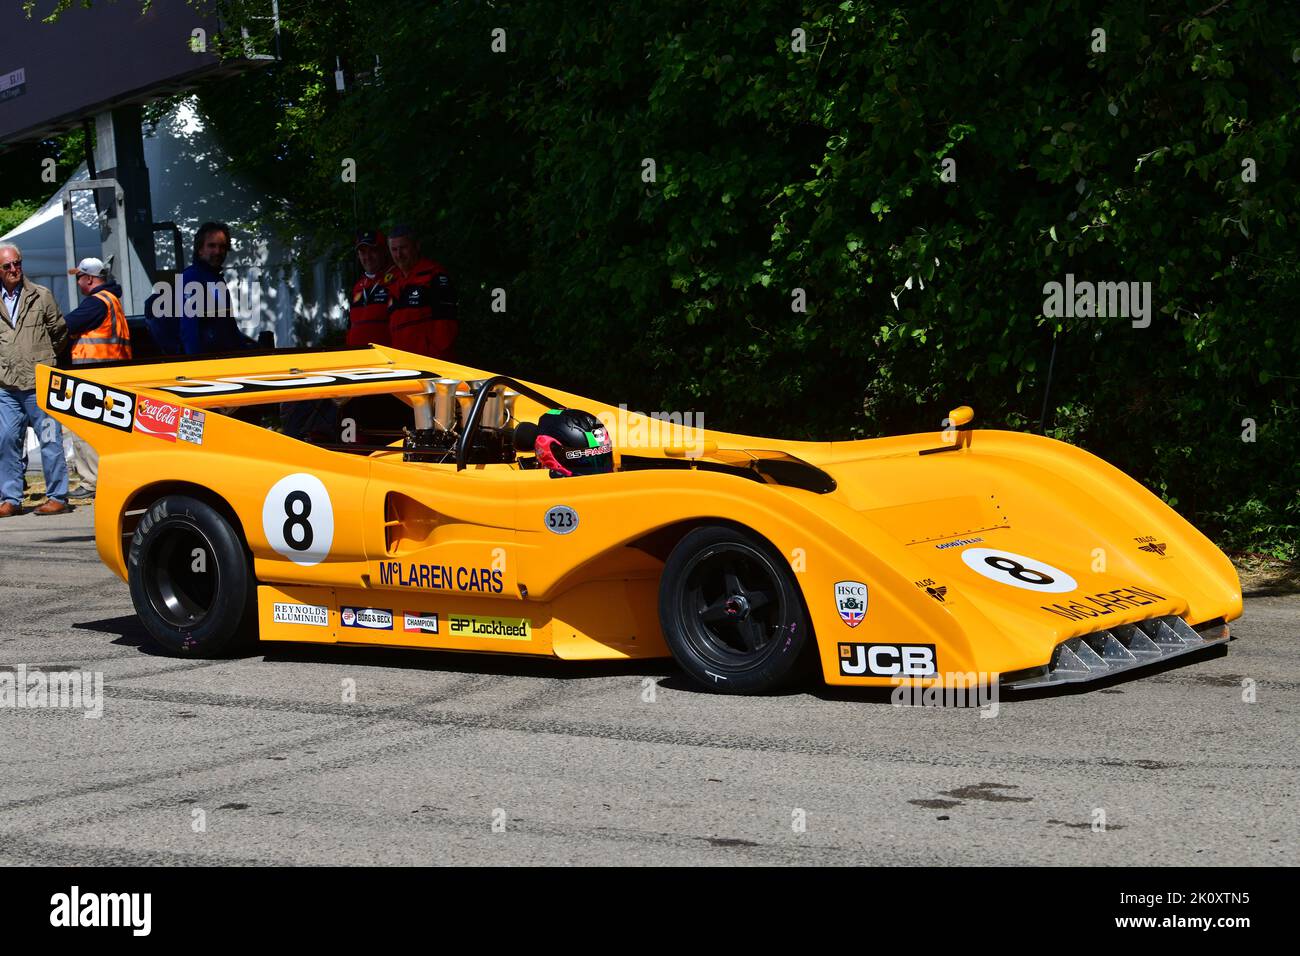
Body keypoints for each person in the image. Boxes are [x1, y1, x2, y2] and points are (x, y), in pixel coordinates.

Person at [0, 242, 70, 516]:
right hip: (6, 385)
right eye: (7, 266)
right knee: (5, 440)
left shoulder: (41, 296)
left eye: (18, 263)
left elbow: (60, 333)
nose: (14, 269)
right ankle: (11, 499)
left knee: (50, 439)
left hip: (41, 381)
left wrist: (43, 358)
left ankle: (58, 497)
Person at [62, 257, 131, 500]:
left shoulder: (96, 302)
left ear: (89, 279)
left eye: (80, 277)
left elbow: (64, 325)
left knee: (84, 429)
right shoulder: (112, 299)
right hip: (111, 372)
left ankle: (92, 481)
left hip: (94, 373)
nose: (79, 282)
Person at [180, 221, 257, 355]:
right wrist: (196, 366)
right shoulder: (191, 278)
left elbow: (228, 328)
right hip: (207, 365)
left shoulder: (216, 279)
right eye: (211, 246)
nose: (218, 251)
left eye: (222, 247)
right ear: (200, 250)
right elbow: (190, 330)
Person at [385, 225, 457, 359]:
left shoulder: (434, 275)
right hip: (401, 362)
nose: (399, 255)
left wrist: (435, 361)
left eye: (403, 248)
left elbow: (446, 325)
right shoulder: (392, 281)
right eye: (394, 249)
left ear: (416, 246)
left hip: (428, 363)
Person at [347, 229, 392, 347]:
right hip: (358, 359)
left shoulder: (397, 279)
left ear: (384, 251)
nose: (367, 256)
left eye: (373, 250)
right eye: (363, 252)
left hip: (386, 359)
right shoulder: (358, 286)